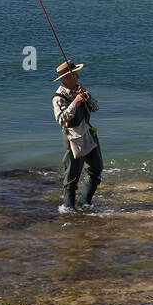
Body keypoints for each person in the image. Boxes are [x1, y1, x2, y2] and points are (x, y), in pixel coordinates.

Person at [52, 59, 103, 214]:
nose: (78, 77)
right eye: (75, 74)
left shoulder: (79, 90)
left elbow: (95, 108)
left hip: (88, 133)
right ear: (66, 78)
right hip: (74, 138)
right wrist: (75, 102)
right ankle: (68, 207)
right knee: (72, 176)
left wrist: (87, 99)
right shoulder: (58, 97)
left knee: (96, 168)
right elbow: (61, 119)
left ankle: (84, 202)